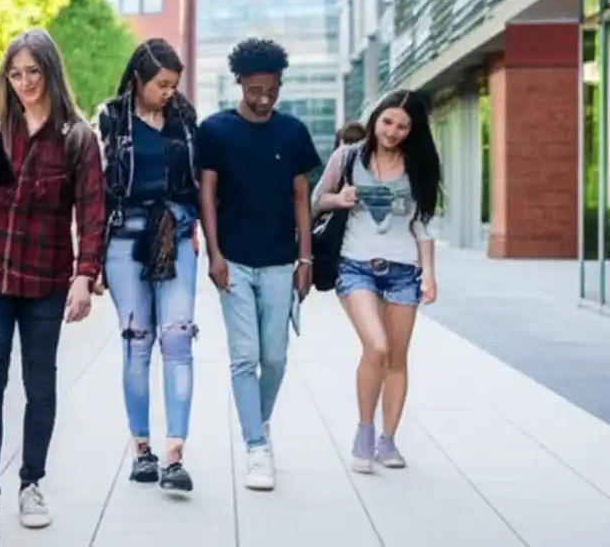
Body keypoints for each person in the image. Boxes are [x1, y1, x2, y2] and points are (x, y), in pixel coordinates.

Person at [0, 28, 104, 543]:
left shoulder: (77, 138)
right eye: (16, 74)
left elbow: (93, 214)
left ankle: (31, 484)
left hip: (46, 277)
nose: (25, 82)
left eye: (34, 72)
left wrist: (85, 276)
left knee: (40, 385)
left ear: (51, 72)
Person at [194, 36, 321, 492]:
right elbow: (206, 193)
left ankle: (259, 422)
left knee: (276, 357)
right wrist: (214, 253)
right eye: (255, 90)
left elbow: (302, 196)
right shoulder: (215, 131)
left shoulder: (293, 132)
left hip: (279, 263)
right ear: (240, 83)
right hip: (234, 262)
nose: (264, 99)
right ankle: (255, 446)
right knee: (245, 357)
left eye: (272, 91)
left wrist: (305, 257)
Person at [312, 89, 440, 473]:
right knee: (377, 346)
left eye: (402, 126)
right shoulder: (348, 157)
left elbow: (422, 225)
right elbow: (317, 200)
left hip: (403, 271)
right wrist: (341, 198)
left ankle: (388, 441)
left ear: (412, 130)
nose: (392, 131)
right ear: (375, 119)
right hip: (355, 266)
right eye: (387, 122)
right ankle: (364, 432)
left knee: (397, 359)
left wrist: (429, 276)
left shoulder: (419, 165)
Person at [95, 38, 199, 494]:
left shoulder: (186, 121)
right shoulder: (111, 119)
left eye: (174, 85)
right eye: (161, 84)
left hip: (174, 234)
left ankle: (175, 454)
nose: (169, 92)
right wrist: (89, 261)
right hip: (124, 238)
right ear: (139, 78)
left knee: (177, 336)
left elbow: (199, 184)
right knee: (137, 340)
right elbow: (95, 188)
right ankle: (142, 449)